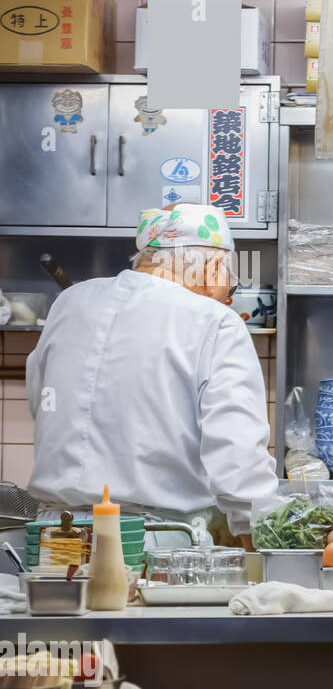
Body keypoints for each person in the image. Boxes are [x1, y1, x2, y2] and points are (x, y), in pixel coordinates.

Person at [26, 204, 278, 548]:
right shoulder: (214, 320)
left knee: (61, 602)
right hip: (152, 541)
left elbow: (40, 399)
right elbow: (238, 452)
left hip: (54, 537)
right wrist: (258, 540)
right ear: (212, 268)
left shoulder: (69, 303)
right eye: (229, 282)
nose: (227, 295)